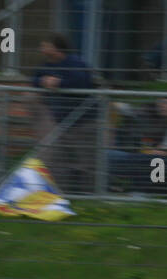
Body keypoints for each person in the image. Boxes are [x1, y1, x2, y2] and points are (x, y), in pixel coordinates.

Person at [32, 33, 99, 193]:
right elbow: (34, 79)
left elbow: (82, 82)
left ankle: (89, 197)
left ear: (56, 48)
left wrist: (59, 83)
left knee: (86, 162)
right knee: (57, 161)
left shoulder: (74, 63)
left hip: (84, 123)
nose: (41, 49)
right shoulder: (47, 65)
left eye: (45, 45)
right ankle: (60, 195)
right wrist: (43, 81)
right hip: (62, 122)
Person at [107, 98, 167, 194]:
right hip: (156, 156)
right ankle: (127, 191)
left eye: (164, 103)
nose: (160, 106)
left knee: (113, 157)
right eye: (160, 104)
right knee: (113, 155)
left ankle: (136, 193)